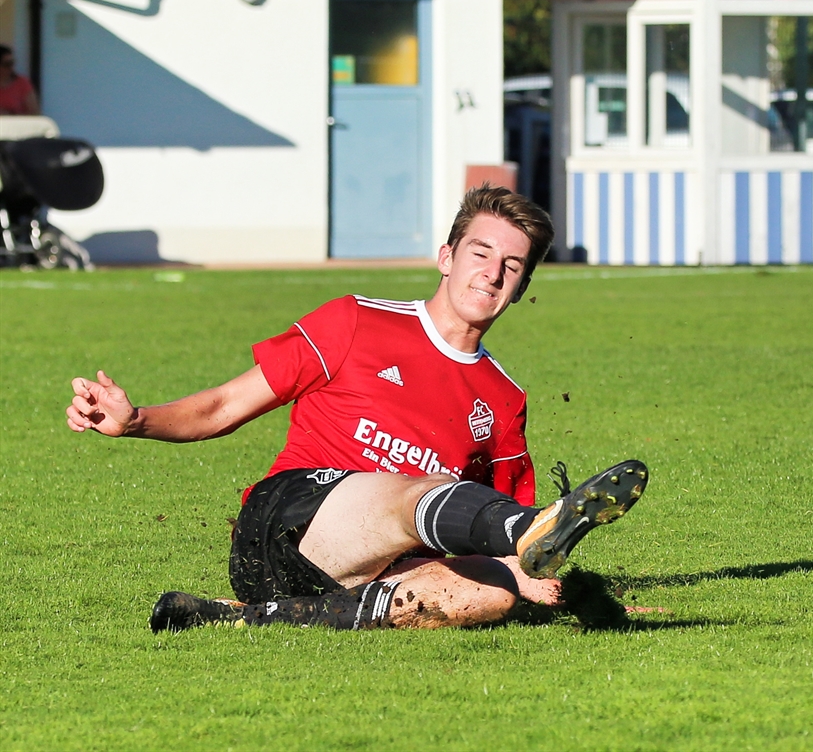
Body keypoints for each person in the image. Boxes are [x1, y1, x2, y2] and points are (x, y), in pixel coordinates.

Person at [66, 186, 649, 633]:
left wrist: (570, 593)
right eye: (481, 251)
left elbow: (500, 548)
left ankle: (241, 617)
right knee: (414, 492)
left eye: (513, 266)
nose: (493, 273)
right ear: (446, 257)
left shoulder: (503, 398)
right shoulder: (354, 321)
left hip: (370, 566)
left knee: (491, 591)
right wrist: (134, 419)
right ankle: (521, 525)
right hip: (284, 525)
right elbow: (222, 406)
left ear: (520, 289)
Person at [0, 44, 40, 115]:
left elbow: (35, 113)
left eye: (12, 63)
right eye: (7, 64)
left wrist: (11, 115)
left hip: (17, 124)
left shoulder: (22, 83)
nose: (11, 67)